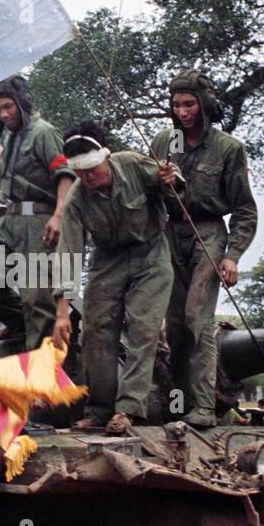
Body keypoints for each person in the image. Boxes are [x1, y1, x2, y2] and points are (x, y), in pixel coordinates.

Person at [51, 120, 181, 435]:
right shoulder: (77, 200)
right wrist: (62, 311)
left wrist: (170, 179)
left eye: (92, 171)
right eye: (79, 173)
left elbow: (172, 188)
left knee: (143, 329)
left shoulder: (133, 164)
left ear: (106, 158)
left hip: (151, 253)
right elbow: (69, 251)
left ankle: (128, 411)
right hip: (107, 260)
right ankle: (99, 409)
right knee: (95, 332)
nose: (87, 179)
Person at [150, 70, 257, 428]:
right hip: (169, 232)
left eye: (189, 104)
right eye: (176, 104)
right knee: (176, 327)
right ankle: (177, 405)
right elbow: (145, 196)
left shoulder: (227, 148)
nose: (182, 111)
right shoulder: (164, 142)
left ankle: (204, 407)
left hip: (208, 233)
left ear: (205, 104)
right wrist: (159, 183)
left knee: (198, 318)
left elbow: (244, 208)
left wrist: (233, 255)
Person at [0, 75, 72, 349]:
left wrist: (59, 214)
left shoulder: (43, 132)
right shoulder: (13, 137)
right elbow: (11, 168)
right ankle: (19, 325)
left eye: (7, 107)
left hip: (38, 220)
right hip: (10, 219)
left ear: (21, 102)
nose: (3, 114)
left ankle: (45, 374)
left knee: (37, 298)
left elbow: (66, 174)